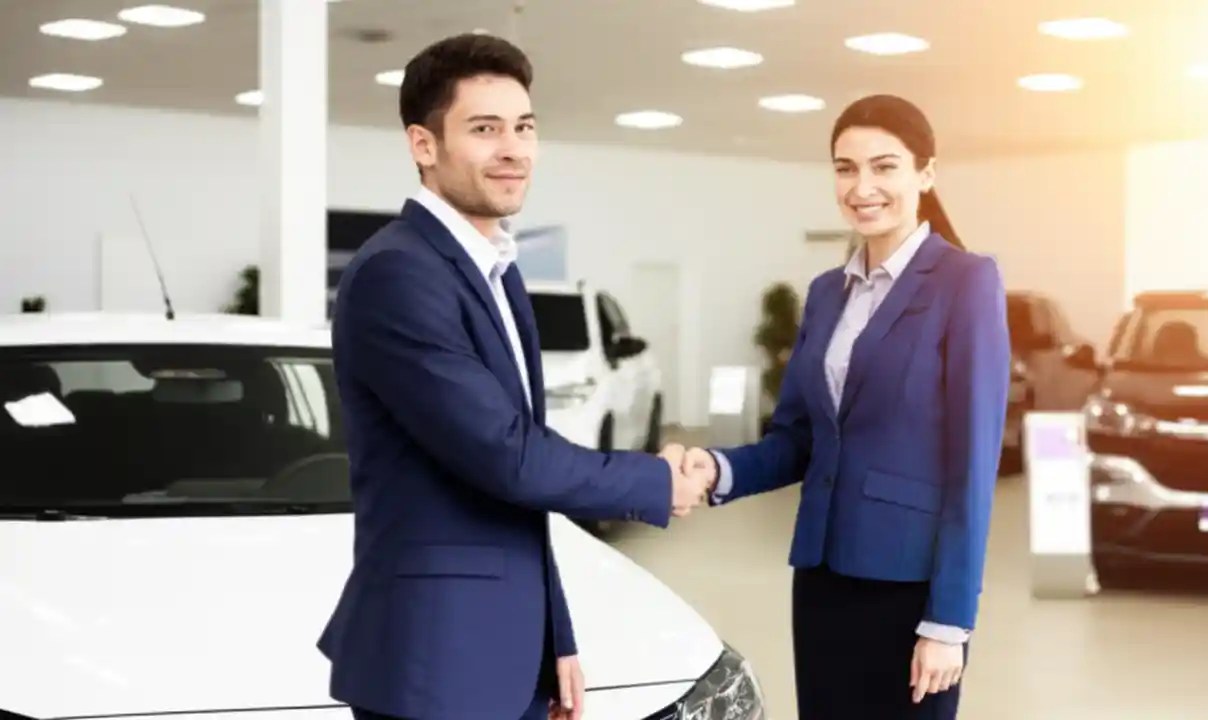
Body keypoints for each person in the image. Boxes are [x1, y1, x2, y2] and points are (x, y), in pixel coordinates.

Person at [317, 33, 708, 720]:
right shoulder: (398, 274)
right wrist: (655, 480)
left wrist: (553, 638)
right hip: (436, 661)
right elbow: (506, 456)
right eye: (485, 129)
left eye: (525, 127)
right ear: (423, 144)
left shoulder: (493, 268)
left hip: (501, 647)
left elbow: (514, 489)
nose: (515, 150)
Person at [677, 94, 1010, 719]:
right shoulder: (828, 293)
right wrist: (717, 469)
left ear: (925, 173)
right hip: (823, 575)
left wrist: (949, 621)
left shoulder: (966, 282)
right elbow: (798, 439)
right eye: (845, 168)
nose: (862, 187)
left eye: (884, 167)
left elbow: (972, 465)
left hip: (911, 589)